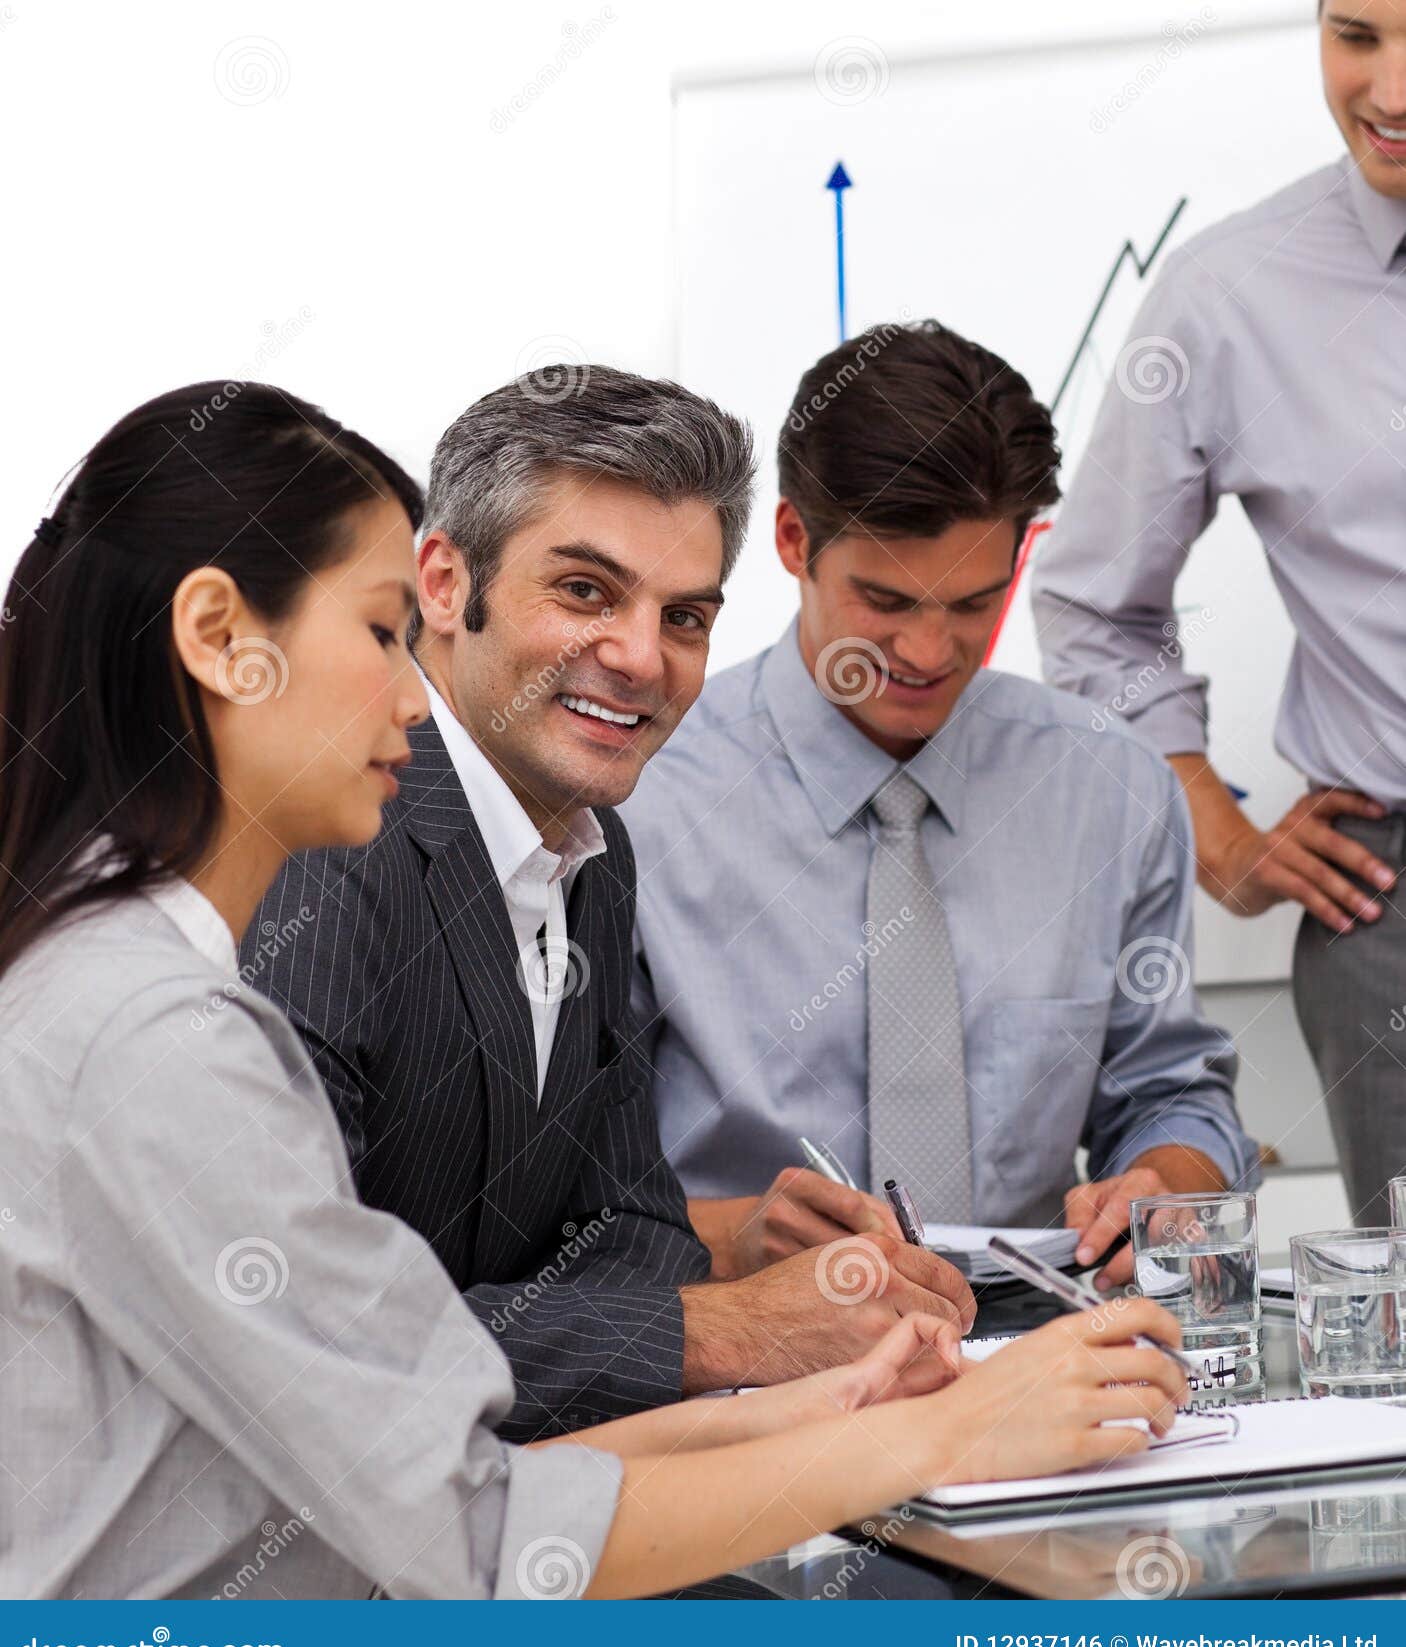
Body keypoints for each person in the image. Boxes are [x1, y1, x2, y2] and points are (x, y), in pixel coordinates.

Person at [0, 381, 1190, 1599]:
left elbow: (587, 1285)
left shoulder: (577, 849)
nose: (411, 696)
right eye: (379, 631)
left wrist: (846, 1404)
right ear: (219, 638)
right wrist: (927, 1435)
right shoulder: (169, 1026)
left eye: (683, 614)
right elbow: (466, 1523)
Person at [245, 366, 973, 1439]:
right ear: (441, 583)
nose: (641, 658)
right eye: (585, 591)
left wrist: (773, 1305)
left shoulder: (593, 849)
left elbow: (624, 1225)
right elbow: (307, 1328)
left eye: (684, 616)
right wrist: (722, 1331)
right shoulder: (331, 841)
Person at [622, 322, 1256, 1294]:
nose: (927, 652)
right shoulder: (637, 795)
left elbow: (1170, 1091)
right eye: (884, 599)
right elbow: (559, 1193)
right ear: (793, 542)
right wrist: (723, 1235)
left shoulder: (1109, 789)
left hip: (1035, 1349)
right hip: (749, 1353)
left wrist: (1163, 1185)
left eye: (971, 605)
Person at [1033, 0, 1406, 1224]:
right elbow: (1096, 604)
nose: (1389, 90)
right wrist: (1223, 839)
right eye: (1354, 35)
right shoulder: (1227, 294)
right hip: (1388, 915)